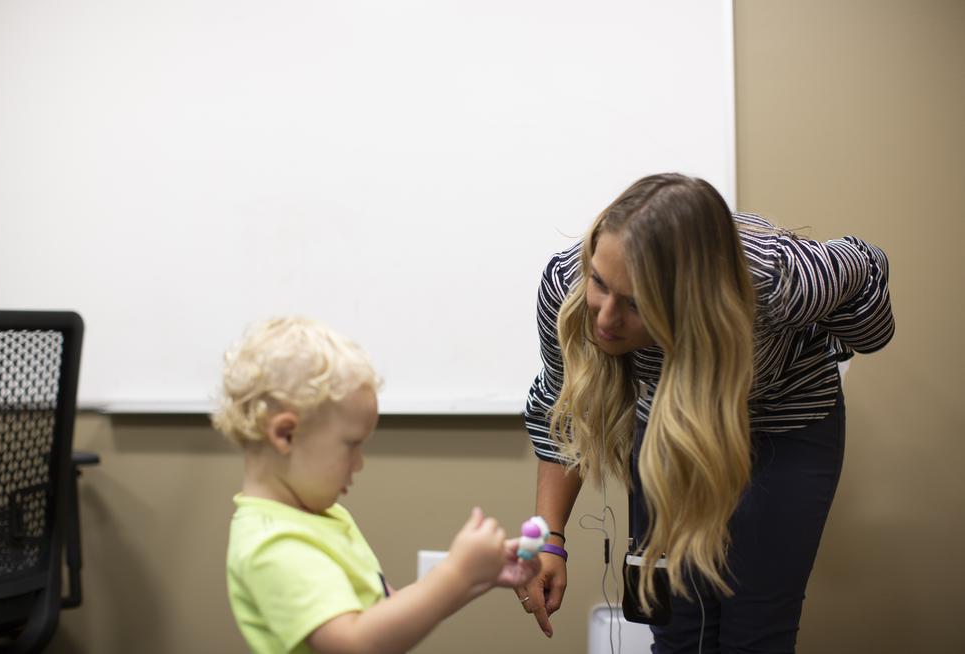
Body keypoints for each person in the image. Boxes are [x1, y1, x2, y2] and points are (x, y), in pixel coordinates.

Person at [515, 173, 895, 652]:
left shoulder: (776, 280)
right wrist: (546, 541)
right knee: (675, 625)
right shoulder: (568, 285)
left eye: (636, 304)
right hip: (671, 419)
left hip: (786, 422)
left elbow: (868, 269)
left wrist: (831, 325)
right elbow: (561, 411)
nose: (606, 319)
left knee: (754, 633)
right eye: (601, 284)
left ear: (695, 299)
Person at [212, 317, 540, 654]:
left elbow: (387, 613)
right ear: (286, 435)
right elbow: (356, 644)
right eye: (351, 445)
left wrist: (476, 575)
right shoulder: (273, 545)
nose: (360, 463)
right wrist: (457, 573)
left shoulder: (318, 516)